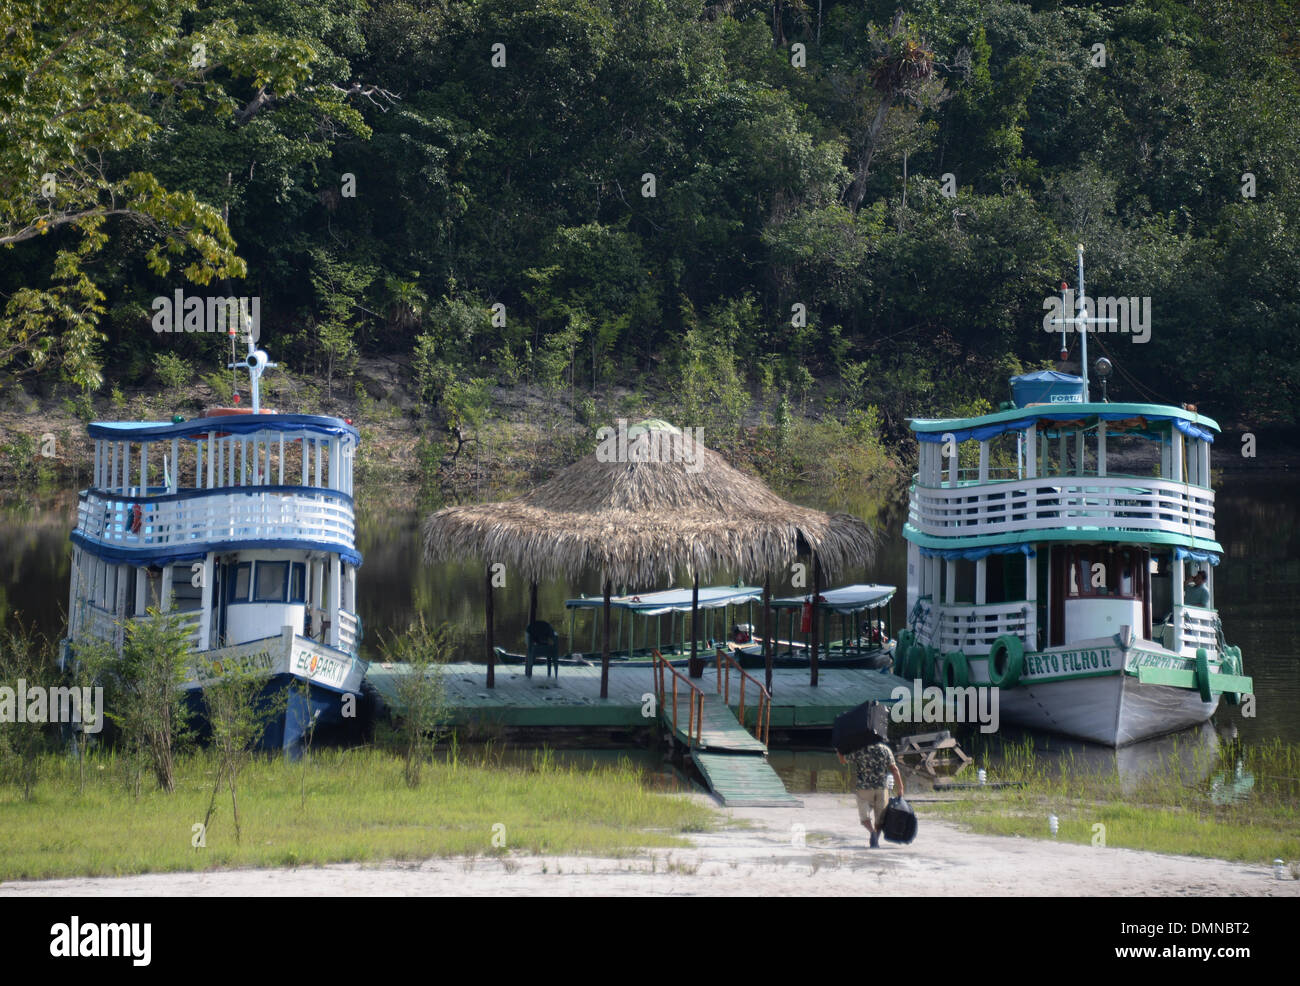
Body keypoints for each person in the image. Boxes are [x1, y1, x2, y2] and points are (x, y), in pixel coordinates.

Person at [838, 737, 905, 848]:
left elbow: (843, 761)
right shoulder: (885, 750)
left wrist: (839, 750)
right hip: (881, 789)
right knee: (880, 818)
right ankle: (876, 839)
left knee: (865, 818)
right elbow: (894, 769)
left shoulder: (860, 750)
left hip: (864, 789)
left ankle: (872, 832)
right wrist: (900, 788)